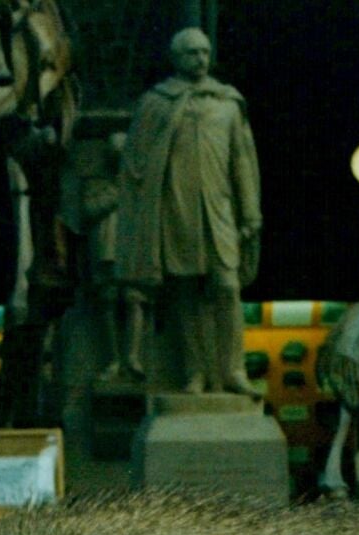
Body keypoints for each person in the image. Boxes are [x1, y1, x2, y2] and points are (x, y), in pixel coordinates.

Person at [116, 27, 262, 396]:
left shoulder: (228, 104)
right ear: (176, 58)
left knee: (227, 289)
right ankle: (195, 373)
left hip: (219, 213)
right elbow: (136, 164)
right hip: (177, 213)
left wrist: (251, 213)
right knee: (187, 296)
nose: (200, 59)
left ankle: (233, 370)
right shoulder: (157, 103)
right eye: (192, 53)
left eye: (205, 52)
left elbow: (242, 161)